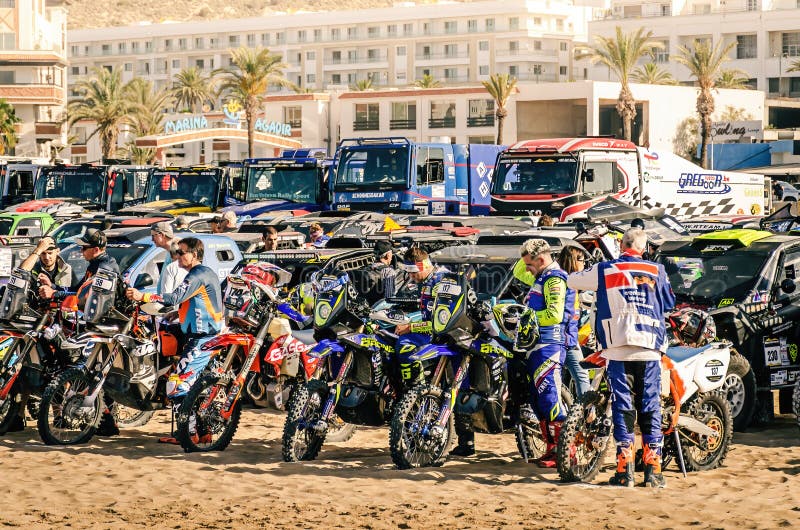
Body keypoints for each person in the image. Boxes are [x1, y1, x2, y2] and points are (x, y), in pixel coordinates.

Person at [567, 228, 675, 488]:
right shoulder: (656, 270)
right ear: (644, 246)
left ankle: (624, 468)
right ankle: (653, 469)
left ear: (620, 245)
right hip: (649, 345)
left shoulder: (605, 269)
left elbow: (572, 281)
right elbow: (669, 302)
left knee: (622, 405)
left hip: (616, 346)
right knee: (650, 405)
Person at [126, 237, 224, 445]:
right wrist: (178, 315)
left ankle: (187, 434)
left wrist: (141, 296)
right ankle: (203, 431)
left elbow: (173, 297)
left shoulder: (197, 274)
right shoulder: (203, 273)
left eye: (182, 252)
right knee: (197, 386)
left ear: (195, 254)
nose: (177, 256)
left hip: (203, 338)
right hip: (206, 336)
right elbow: (197, 301)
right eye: (177, 252)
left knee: (176, 384)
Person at [38, 228, 121, 436]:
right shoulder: (93, 264)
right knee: (92, 368)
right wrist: (55, 287)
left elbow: (87, 293)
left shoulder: (105, 266)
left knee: (91, 368)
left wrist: (55, 291)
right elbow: (77, 289)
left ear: (96, 249)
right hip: (93, 324)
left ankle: (106, 421)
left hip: (107, 327)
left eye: (84, 247)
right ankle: (104, 420)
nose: (80, 250)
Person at [517, 238, 574, 468]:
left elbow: (554, 315)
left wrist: (525, 318)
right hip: (535, 346)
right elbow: (517, 269)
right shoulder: (541, 276)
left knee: (550, 396)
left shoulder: (554, 279)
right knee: (538, 399)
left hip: (550, 345)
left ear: (541, 259)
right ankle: (552, 449)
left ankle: (565, 452)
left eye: (530, 265)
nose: (527, 271)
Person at [6, 237, 73, 432]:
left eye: (49, 252)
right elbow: (20, 272)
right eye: (44, 253)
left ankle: (60, 413)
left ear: (58, 251)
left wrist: (51, 285)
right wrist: (37, 251)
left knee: (58, 366)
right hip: (32, 321)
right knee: (25, 367)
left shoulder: (65, 269)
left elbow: (66, 292)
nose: (46, 256)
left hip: (56, 322)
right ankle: (18, 414)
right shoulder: (36, 264)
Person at [557, 246, 590, 399]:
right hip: (566, 339)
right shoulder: (569, 283)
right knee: (582, 376)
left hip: (559, 338)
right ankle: (586, 413)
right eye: (582, 260)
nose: (584, 264)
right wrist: (570, 341)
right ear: (574, 261)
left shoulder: (558, 279)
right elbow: (567, 316)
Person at [150, 221, 187, 296]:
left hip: (172, 303)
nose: (152, 240)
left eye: (153, 236)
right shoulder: (169, 253)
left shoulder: (178, 256)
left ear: (162, 235)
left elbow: (175, 290)